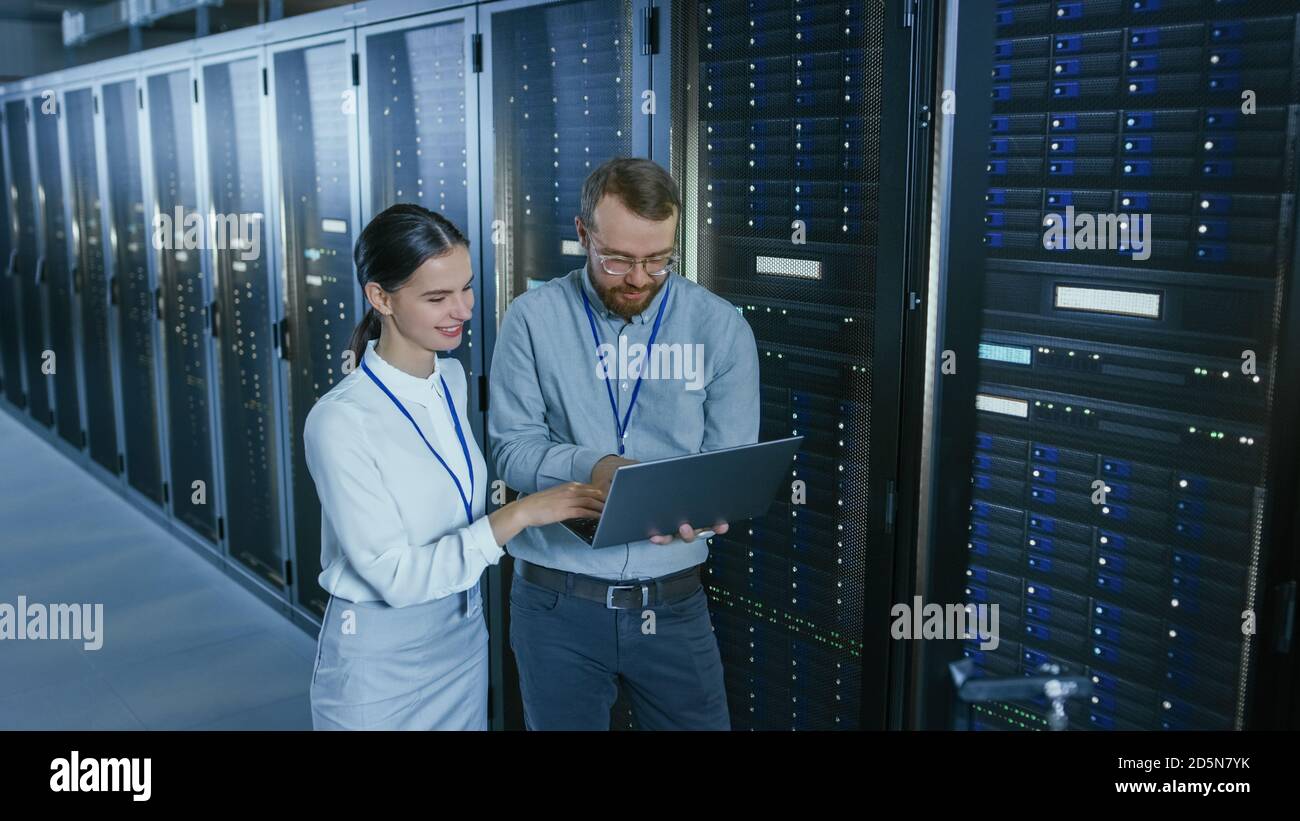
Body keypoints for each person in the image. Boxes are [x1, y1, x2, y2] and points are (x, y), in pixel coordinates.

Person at [304, 203, 605, 730]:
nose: (462, 310)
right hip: (379, 660)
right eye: (437, 297)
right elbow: (394, 576)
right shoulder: (339, 421)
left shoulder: (452, 381)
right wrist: (520, 514)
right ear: (381, 298)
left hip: (463, 635)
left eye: (466, 288)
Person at [489, 157, 761, 729]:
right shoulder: (532, 320)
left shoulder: (720, 327)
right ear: (582, 234)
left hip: (674, 603)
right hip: (556, 605)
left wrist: (707, 510)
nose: (638, 278)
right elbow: (509, 450)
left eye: (658, 260)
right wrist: (594, 467)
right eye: (617, 260)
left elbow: (729, 464)